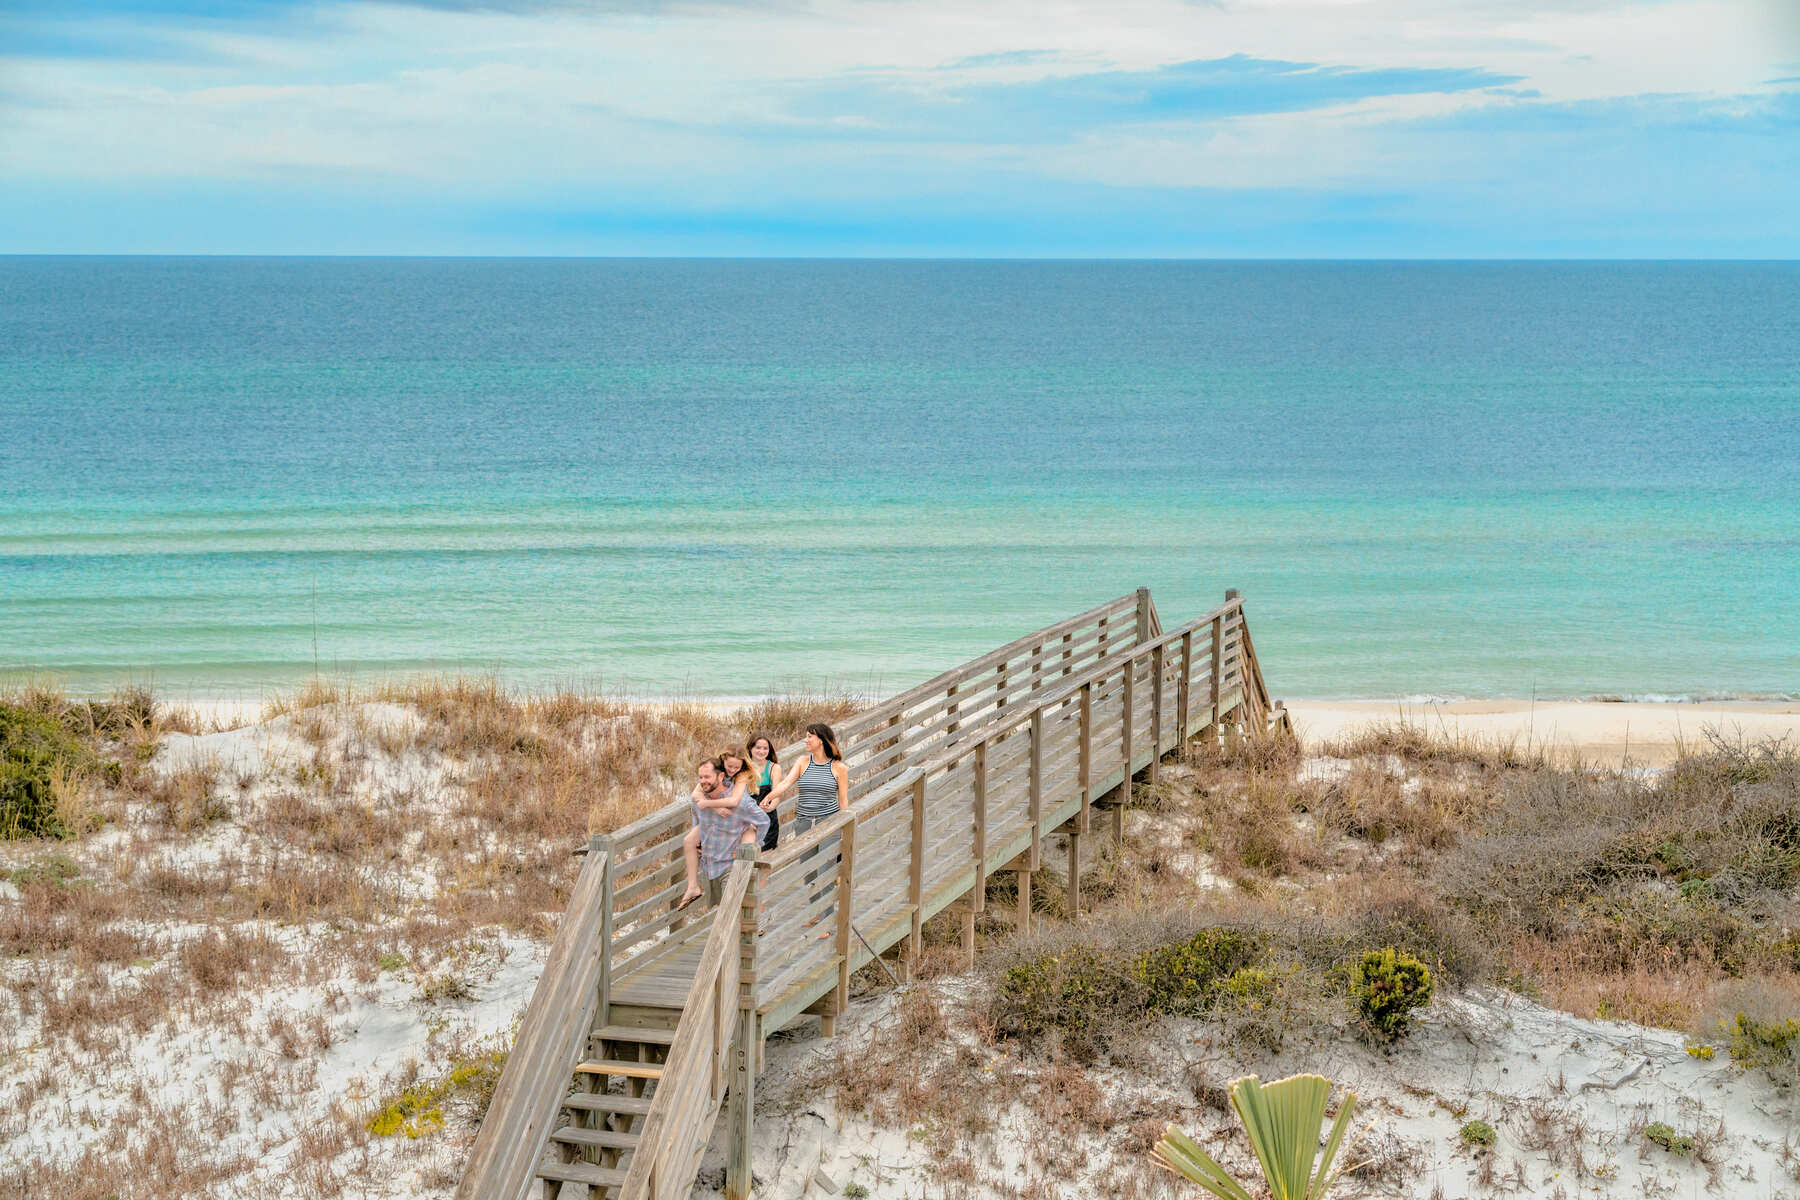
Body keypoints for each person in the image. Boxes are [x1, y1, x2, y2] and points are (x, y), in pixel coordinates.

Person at [764, 723, 849, 904]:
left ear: (821, 740)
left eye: (810, 736)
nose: (805, 740)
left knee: (825, 872)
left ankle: (825, 915)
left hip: (829, 824)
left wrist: (844, 828)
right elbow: (786, 783)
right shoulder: (802, 762)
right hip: (804, 823)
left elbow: (843, 801)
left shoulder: (838, 767)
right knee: (809, 873)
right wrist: (769, 797)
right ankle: (814, 912)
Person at [677, 754, 768, 910]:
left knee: (731, 914)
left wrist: (750, 847)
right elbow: (697, 820)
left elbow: (764, 821)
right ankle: (693, 887)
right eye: (700, 777)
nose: (703, 781)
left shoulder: (741, 802)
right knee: (719, 914)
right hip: (709, 867)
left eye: (707, 777)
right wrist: (698, 842)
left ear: (720, 776)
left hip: (731, 867)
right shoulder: (699, 800)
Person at [746, 733, 780, 851]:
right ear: (750, 748)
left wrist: (770, 808)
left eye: (765, 748)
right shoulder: (743, 767)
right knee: (746, 855)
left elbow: (776, 795)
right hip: (747, 819)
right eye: (758, 748)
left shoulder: (774, 768)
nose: (761, 751)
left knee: (766, 855)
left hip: (767, 817)